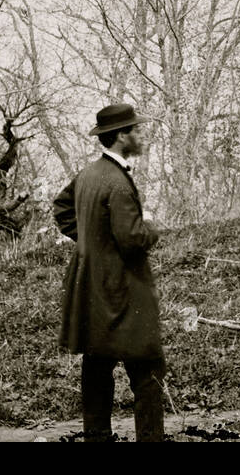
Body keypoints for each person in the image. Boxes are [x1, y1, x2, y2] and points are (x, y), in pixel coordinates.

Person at [52, 103, 165, 442]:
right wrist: (152, 229)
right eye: (135, 130)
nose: (140, 135)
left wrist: (91, 241)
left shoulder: (88, 174)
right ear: (120, 136)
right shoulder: (117, 182)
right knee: (148, 369)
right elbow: (132, 240)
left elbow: (62, 209)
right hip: (123, 291)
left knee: (97, 366)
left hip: (91, 290)